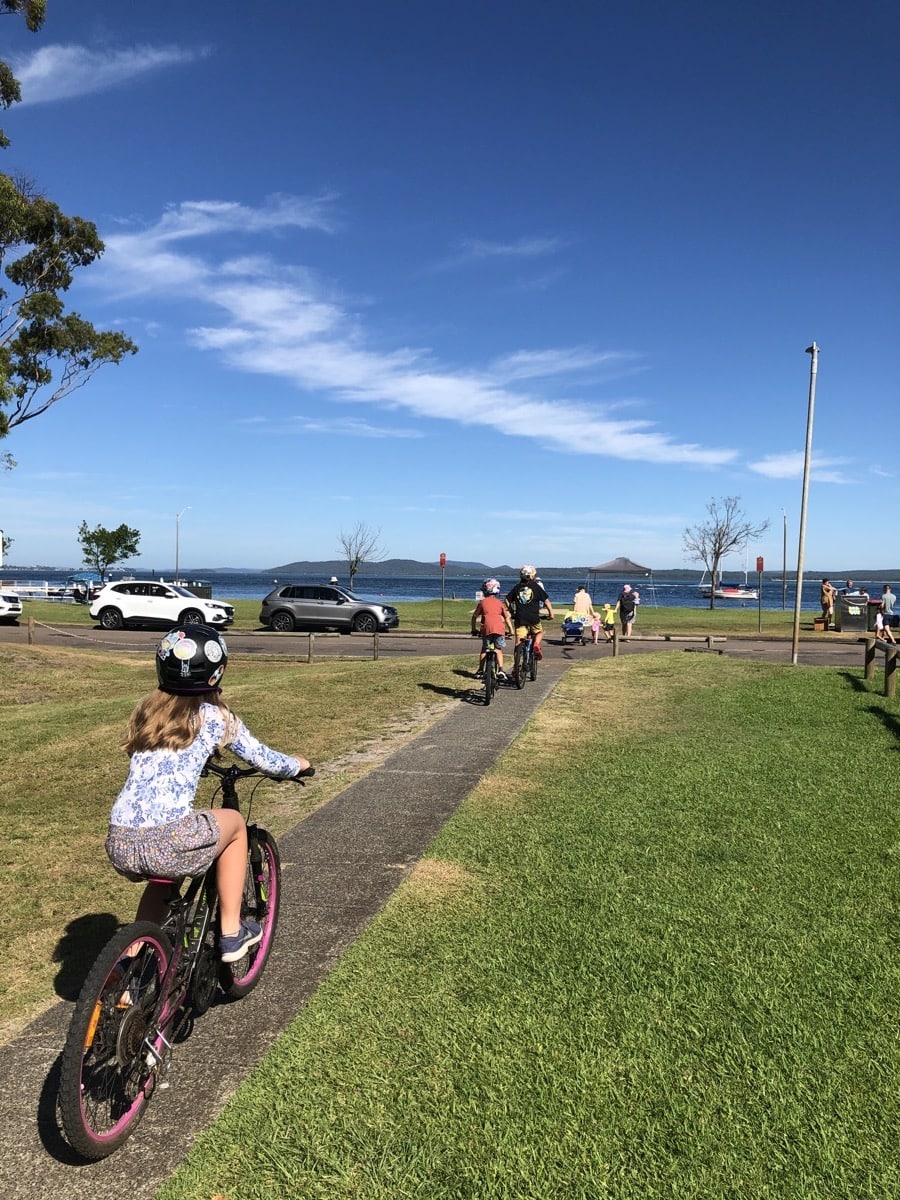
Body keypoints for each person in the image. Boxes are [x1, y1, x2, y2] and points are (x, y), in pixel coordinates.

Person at [105, 624, 310, 963]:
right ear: (217, 672)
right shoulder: (215, 717)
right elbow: (264, 759)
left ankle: (126, 970)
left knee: (162, 882)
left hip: (121, 841)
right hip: (167, 841)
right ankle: (231, 931)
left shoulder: (146, 712)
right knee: (234, 824)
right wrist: (297, 764)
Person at [506, 565, 554, 660]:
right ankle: (536, 643)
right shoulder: (536, 587)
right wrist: (551, 614)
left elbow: (507, 600)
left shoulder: (517, 587)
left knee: (518, 643)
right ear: (532, 576)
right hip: (533, 617)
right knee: (539, 632)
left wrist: (511, 611)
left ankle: (516, 668)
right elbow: (546, 601)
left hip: (520, 618)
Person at [471, 578, 514, 679]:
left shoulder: (482, 603)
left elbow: (474, 617)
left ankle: (481, 670)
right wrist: (511, 630)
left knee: (484, 649)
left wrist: (473, 629)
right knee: (498, 649)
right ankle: (501, 670)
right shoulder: (499, 603)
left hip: (486, 629)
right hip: (499, 629)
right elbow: (507, 617)